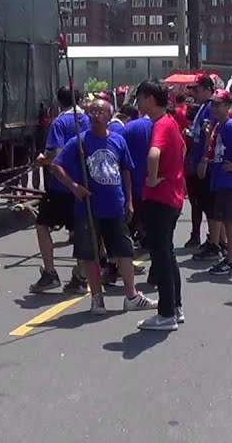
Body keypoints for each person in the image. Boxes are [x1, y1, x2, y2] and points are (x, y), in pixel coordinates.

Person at [48, 99, 157, 315]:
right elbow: (56, 166)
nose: (96, 115)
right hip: (88, 208)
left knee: (124, 252)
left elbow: (126, 170)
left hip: (114, 206)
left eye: (100, 111)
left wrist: (129, 200)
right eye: (92, 111)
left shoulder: (118, 140)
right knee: (89, 255)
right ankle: (97, 299)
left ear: (109, 116)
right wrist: (74, 187)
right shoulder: (79, 142)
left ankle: (131, 296)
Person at [136, 79, 187, 331]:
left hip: (160, 198)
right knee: (167, 253)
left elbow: (153, 153)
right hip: (173, 195)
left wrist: (154, 177)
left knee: (161, 255)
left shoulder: (160, 124)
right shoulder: (172, 123)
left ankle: (166, 313)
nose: (137, 103)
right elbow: (184, 149)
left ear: (149, 98)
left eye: (139, 98)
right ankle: (175, 307)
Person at [30, 87, 90, 295]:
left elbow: (55, 153)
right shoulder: (88, 120)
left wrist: (41, 160)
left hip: (60, 186)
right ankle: (81, 277)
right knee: (83, 231)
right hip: (83, 185)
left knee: (42, 225)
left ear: (58, 101)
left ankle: (50, 273)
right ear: (80, 99)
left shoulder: (59, 123)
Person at [197, 89, 232, 276]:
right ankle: (229, 256)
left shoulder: (229, 125)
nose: (214, 108)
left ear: (227, 106)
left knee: (228, 222)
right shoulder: (218, 126)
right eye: (213, 104)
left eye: (218, 105)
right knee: (224, 220)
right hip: (219, 179)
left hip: (228, 181)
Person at [184, 76, 217, 253]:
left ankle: (215, 241)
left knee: (208, 206)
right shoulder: (201, 108)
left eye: (197, 90)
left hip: (205, 166)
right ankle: (207, 238)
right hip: (196, 162)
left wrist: (204, 159)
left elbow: (209, 136)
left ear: (207, 89)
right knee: (199, 203)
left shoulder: (211, 108)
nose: (193, 94)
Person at [120, 104, 154, 251]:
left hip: (133, 179)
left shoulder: (129, 128)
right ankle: (145, 236)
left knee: (131, 216)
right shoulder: (162, 125)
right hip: (154, 180)